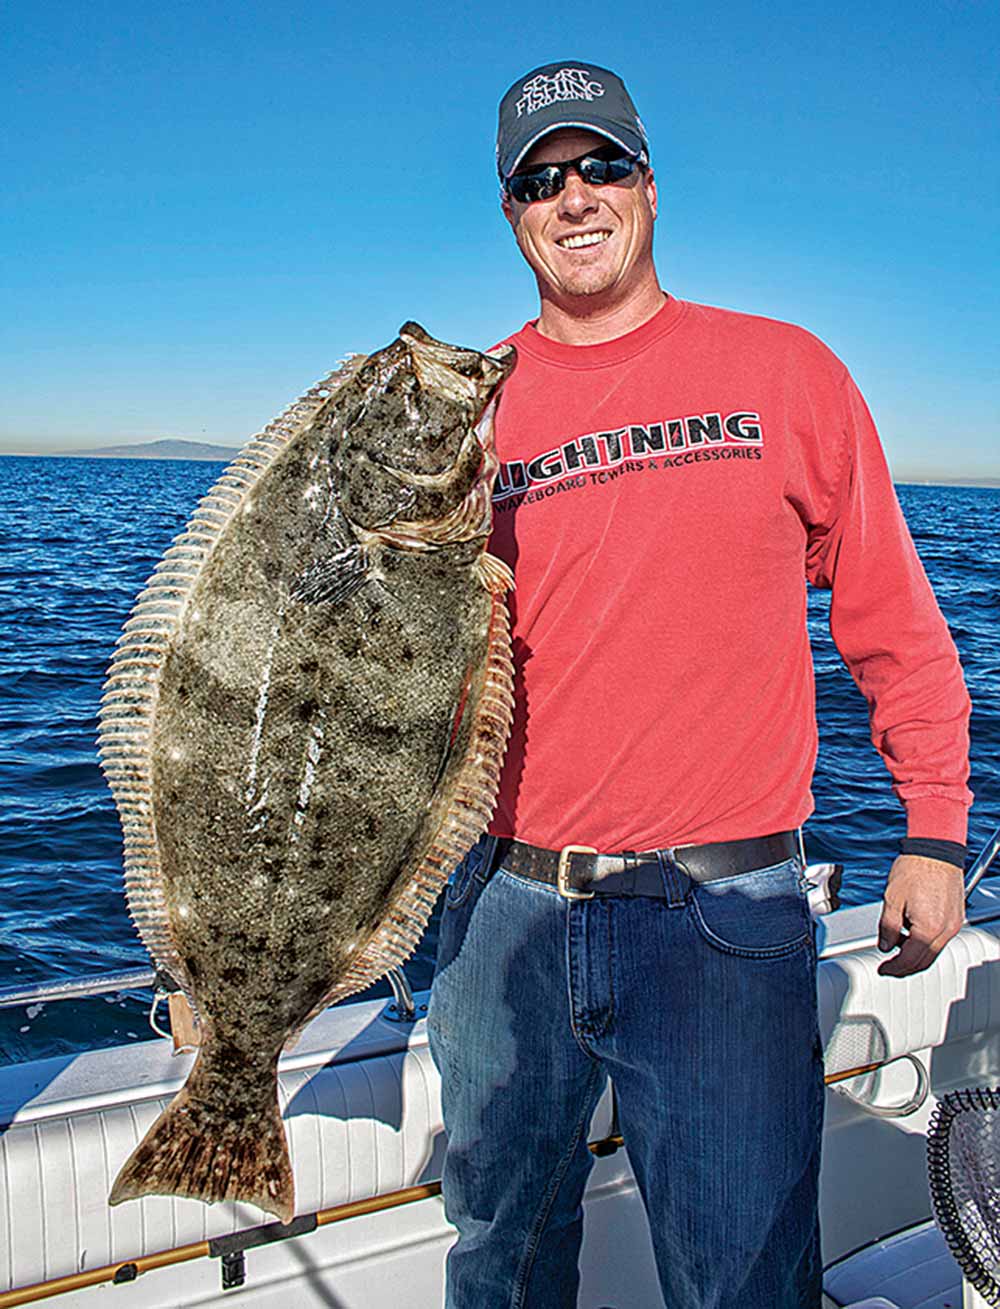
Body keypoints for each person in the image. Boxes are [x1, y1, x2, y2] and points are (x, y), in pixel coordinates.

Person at [427, 60, 972, 1309]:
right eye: (540, 178)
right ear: (511, 214)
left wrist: (933, 827)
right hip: (496, 910)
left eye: (601, 165)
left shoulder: (786, 372)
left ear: (650, 189)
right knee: (496, 1266)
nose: (575, 197)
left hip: (721, 918)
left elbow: (890, 618)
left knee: (743, 1277)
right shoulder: (464, 412)